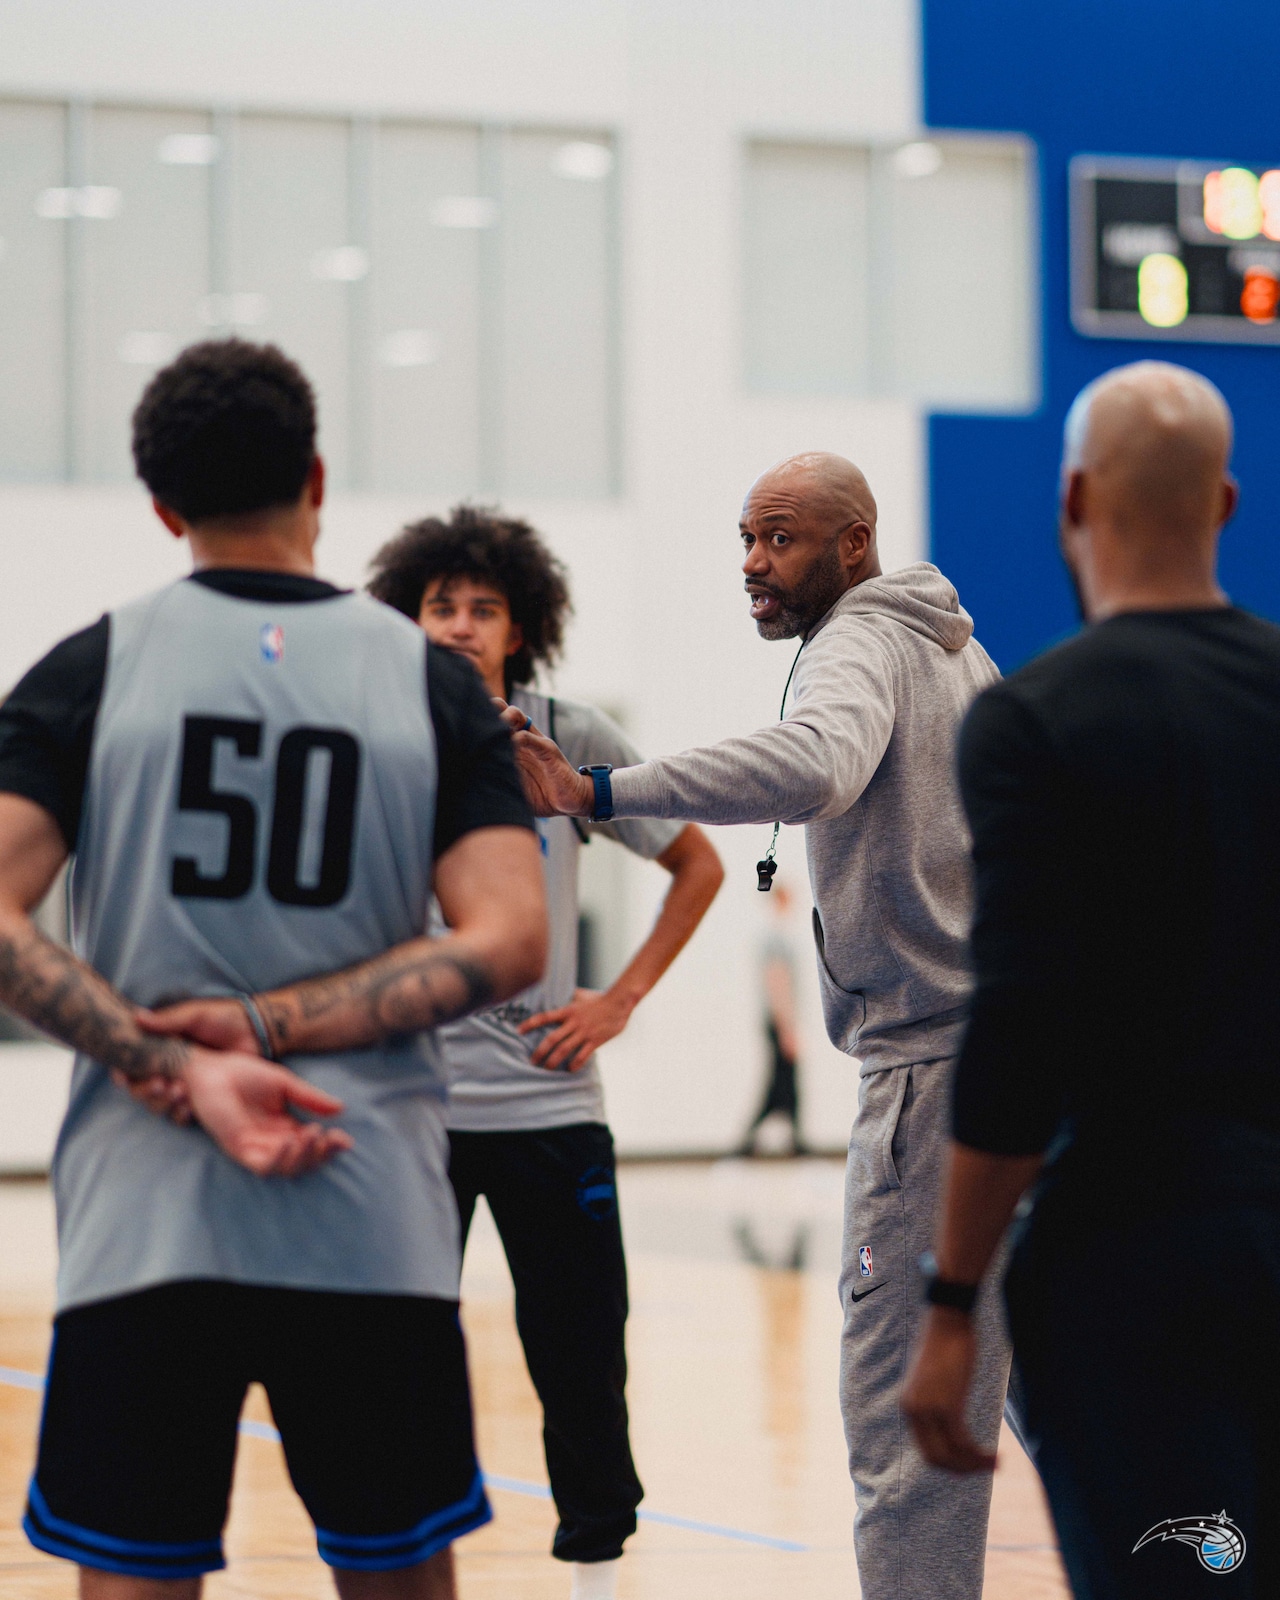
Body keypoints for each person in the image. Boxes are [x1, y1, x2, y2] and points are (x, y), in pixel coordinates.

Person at [0, 339, 547, 1600]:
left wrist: (175, 1058)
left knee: (138, 1574)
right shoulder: (428, 684)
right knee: (397, 1576)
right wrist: (268, 1023)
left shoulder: (96, 666)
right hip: (363, 1207)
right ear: (316, 475)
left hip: (147, 1213)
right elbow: (510, 936)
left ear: (161, 504)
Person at [504, 452, 1006, 1600]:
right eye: (743, 537)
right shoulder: (958, 650)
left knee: (904, 1442)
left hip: (931, 1091)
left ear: (853, 544)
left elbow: (817, 761)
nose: (750, 563)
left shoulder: (860, 644)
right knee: (1067, 1408)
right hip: (1019, 1081)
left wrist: (598, 791)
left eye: (777, 539)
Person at [903, 361, 1278, 1597]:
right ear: (1223, 501)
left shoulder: (1037, 720)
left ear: (1071, 498)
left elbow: (1018, 1029)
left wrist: (953, 1301)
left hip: (1137, 1262)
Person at [367, 507, 724, 1600]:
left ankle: (594, 1579)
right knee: (396, 1359)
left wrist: (617, 999)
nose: (461, 625)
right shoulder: (375, 733)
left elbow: (699, 864)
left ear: (520, 626)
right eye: (441, 606)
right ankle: (406, 1565)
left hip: (548, 1105)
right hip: (409, 1112)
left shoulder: (568, 732)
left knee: (579, 1358)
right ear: (408, 619)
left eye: (484, 608)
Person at [738, 880, 808, 1157]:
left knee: (784, 1083)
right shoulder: (775, 937)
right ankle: (754, 1140)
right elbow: (777, 984)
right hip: (779, 1022)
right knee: (781, 1083)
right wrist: (787, 1029)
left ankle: (794, 1139)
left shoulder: (774, 935)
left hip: (779, 1023)